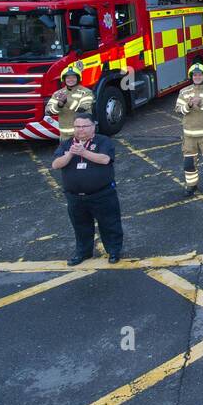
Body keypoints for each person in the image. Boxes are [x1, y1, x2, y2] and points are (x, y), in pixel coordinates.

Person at [51, 114, 123, 265]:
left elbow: (105, 159)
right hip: (75, 197)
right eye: (77, 126)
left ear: (93, 127)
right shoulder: (66, 144)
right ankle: (83, 253)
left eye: (84, 126)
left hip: (102, 195)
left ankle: (114, 251)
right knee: (80, 227)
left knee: (109, 224)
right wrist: (71, 153)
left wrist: (83, 152)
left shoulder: (103, 141)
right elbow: (56, 165)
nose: (80, 130)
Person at [174, 62, 203, 196]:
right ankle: (191, 186)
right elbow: (178, 109)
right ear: (191, 76)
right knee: (189, 164)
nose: (197, 77)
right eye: (194, 75)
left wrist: (201, 103)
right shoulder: (184, 92)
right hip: (189, 135)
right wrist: (189, 105)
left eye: (199, 74)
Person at [45, 61, 94, 143]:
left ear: (78, 79)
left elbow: (82, 109)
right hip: (65, 136)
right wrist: (59, 105)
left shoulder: (86, 92)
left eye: (73, 77)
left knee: (83, 155)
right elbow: (48, 111)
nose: (70, 80)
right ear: (64, 79)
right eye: (68, 78)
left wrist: (66, 102)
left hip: (83, 134)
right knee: (65, 155)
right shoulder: (57, 93)